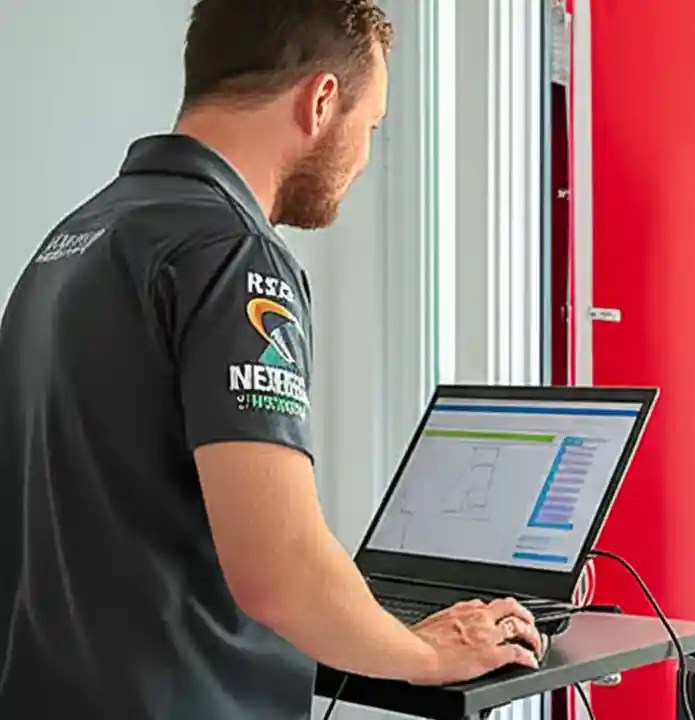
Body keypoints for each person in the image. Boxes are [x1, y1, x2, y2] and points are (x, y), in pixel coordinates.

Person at [0, 1, 540, 717]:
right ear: (321, 101)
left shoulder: (73, 240)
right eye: (371, 124)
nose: (365, 156)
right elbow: (277, 567)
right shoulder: (232, 255)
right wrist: (426, 652)